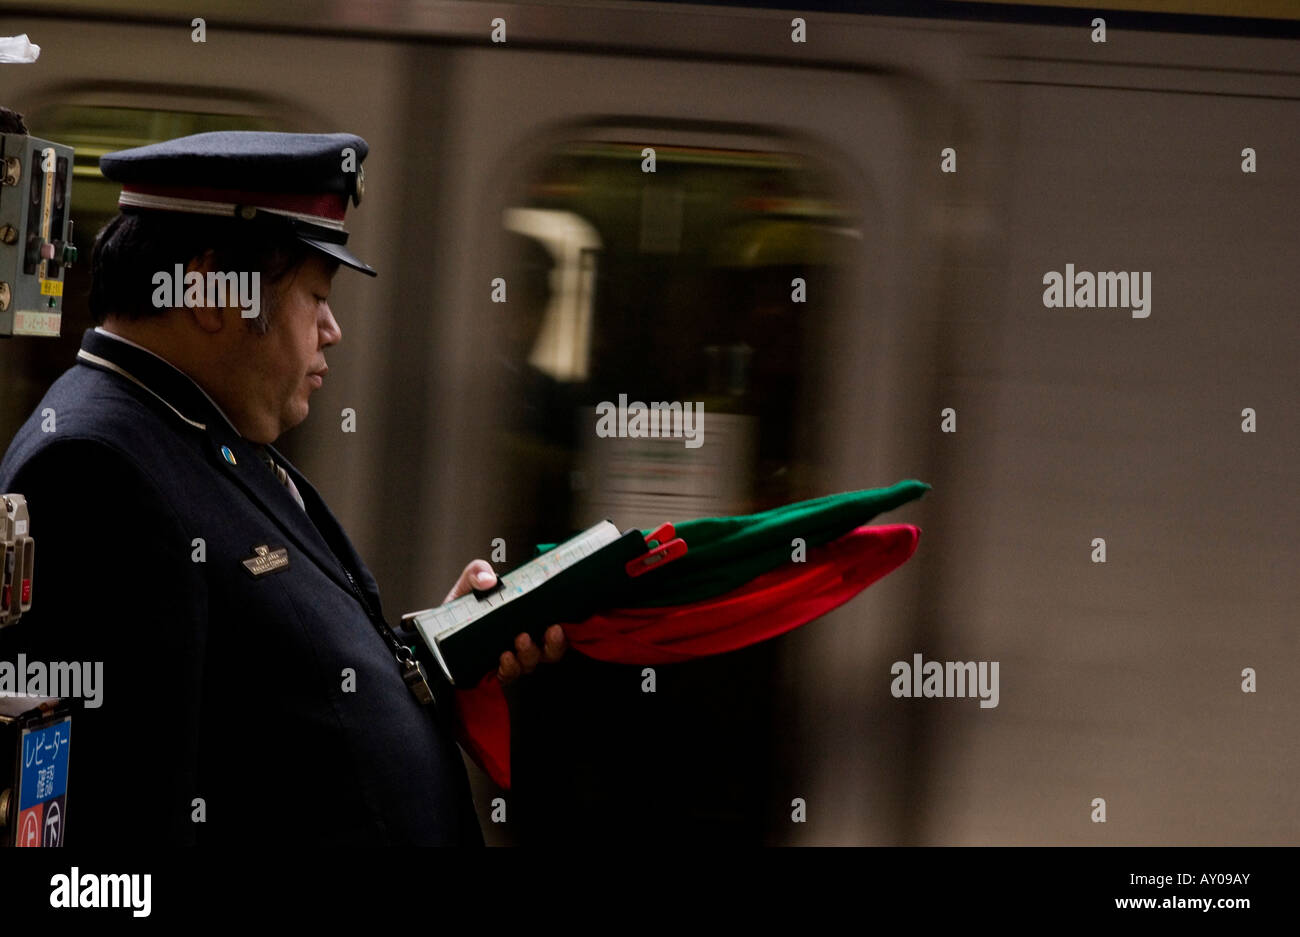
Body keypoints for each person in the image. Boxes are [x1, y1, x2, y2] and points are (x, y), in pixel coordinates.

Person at [0, 131, 565, 845]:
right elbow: (111, 832)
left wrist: (430, 658)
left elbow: (262, 689)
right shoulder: (95, 470)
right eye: (315, 296)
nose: (332, 329)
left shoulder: (197, 430)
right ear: (208, 291)